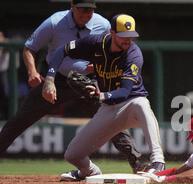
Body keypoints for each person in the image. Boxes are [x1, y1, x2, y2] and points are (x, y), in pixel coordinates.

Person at [0, 0, 155, 173]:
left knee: (112, 119)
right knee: (21, 118)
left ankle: (137, 162)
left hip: (89, 81)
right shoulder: (55, 22)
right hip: (58, 79)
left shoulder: (103, 24)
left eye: (90, 9)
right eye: (82, 9)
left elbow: (115, 53)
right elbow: (30, 48)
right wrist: (33, 72)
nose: (87, 13)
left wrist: (100, 69)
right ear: (72, 7)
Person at [44, 13, 165, 181]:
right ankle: (89, 171)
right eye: (123, 36)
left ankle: (158, 161)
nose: (127, 40)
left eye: (131, 36)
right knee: (73, 155)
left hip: (130, 104)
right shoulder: (95, 43)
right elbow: (60, 51)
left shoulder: (134, 55)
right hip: (108, 108)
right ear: (112, 33)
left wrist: (100, 95)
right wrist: (50, 79)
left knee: (142, 104)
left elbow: (124, 91)